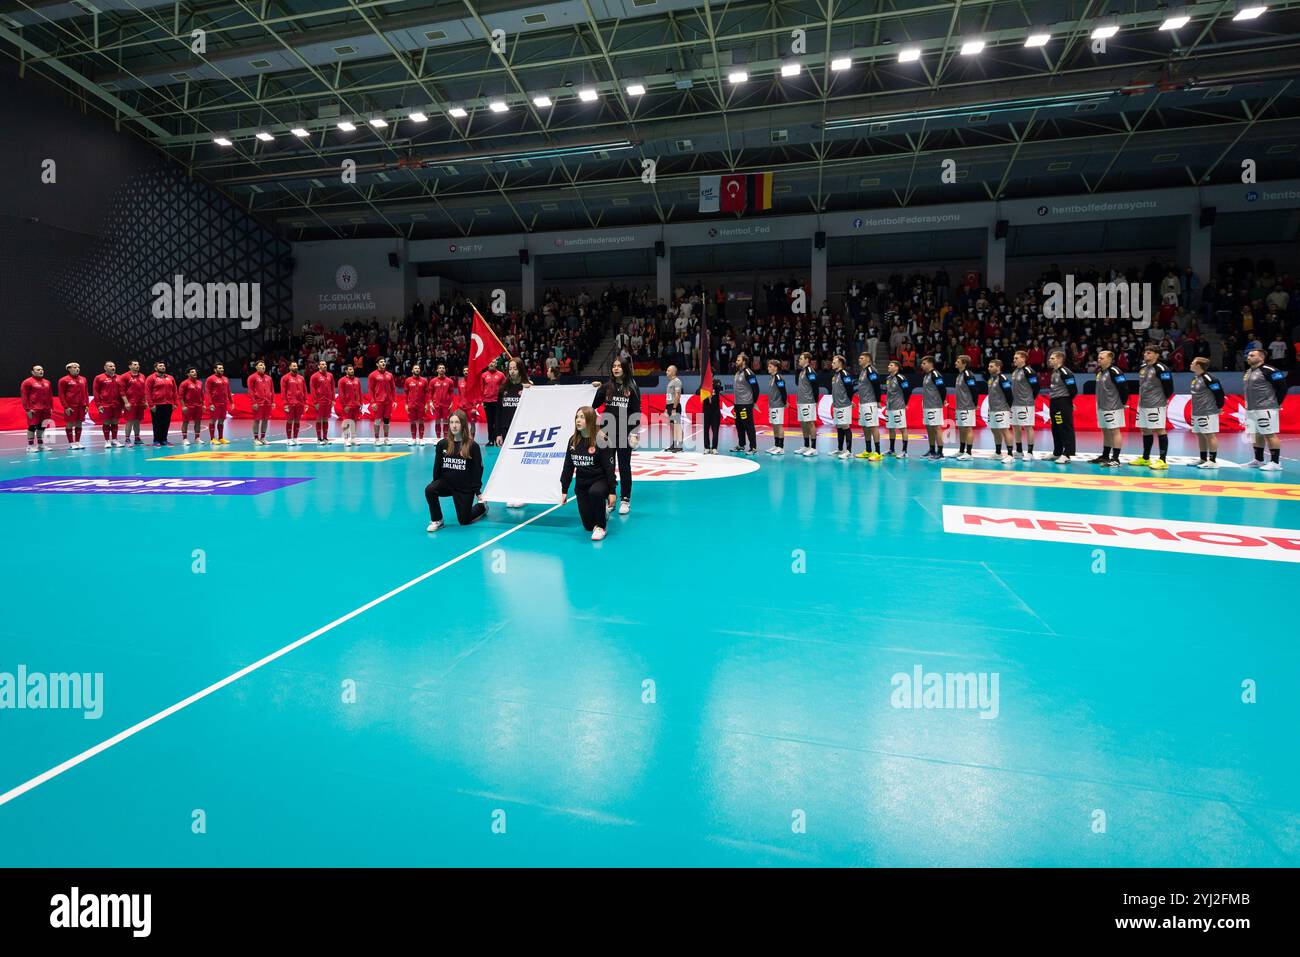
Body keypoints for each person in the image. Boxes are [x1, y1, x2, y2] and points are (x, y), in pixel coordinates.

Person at [560, 405, 617, 541]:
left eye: (582, 417)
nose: (578, 420)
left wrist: (612, 492)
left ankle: (601, 527)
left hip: (600, 481)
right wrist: (564, 490)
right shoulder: (573, 441)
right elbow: (568, 466)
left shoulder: (601, 440)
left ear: (590, 420)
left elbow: (609, 468)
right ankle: (601, 513)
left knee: (595, 493)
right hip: (582, 484)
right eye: (577, 417)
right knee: (587, 526)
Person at [424, 409, 488, 531]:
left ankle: (482, 507)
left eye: (457, 422)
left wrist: (477, 492)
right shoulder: (442, 444)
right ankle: (437, 520)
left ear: (463, 424)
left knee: (464, 521)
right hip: (447, 483)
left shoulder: (472, 446)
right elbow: (437, 467)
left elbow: (477, 470)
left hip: (464, 487)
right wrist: (435, 484)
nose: (454, 425)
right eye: (452, 422)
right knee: (430, 490)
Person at [592, 357, 639, 514]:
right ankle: (609, 498)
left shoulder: (632, 387)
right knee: (607, 467)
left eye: (619, 366)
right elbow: (593, 404)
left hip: (625, 433)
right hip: (607, 433)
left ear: (625, 368)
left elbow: (636, 413)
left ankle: (625, 499)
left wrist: (633, 433)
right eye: (614, 366)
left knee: (624, 467)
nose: (616, 368)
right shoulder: (606, 387)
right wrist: (595, 390)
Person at [1243, 348, 1287, 471]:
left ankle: (1275, 463)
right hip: (1251, 409)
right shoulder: (1248, 372)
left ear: (1261, 358)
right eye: (1248, 355)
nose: (1248, 357)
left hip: (1266, 408)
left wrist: (1275, 403)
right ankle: (1259, 460)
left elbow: (1282, 387)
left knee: (1269, 434)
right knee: (1256, 434)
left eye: (1252, 355)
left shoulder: (1270, 370)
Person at [1132, 344, 1174, 470]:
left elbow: (1169, 387)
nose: (1146, 354)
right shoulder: (1143, 368)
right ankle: (1145, 458)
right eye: (1145, 352)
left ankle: (1162, 460)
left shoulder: (1162, 368)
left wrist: (1164, 399)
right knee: (1145, 429)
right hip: (1143, 403)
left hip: (1156, 403)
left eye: (1149, 353)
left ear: (1157, 355)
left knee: (1160, 429)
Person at [1091, 350, 1128, 468]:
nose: (1099, 359)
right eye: (1098, 357)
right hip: (1101, 406)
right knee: (1105, 431)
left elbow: (1124, 388)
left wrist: (1122, 403)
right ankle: (1105, 455)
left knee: (1114, 431)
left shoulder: (1115, 371)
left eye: (1102, 358)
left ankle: (1116, 459)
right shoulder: (1100, 372)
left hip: (1113, 406)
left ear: (1110, 359)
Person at [1188, 356, 1225, 469]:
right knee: (1200, 435)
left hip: (1208, 411)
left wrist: (1218, 407)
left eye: (1193, 363)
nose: (1190, 364)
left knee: (1210, 435)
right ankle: (1203, 459)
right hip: (1197, 412)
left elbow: (1219, 394)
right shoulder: (1195, 378)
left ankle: (1213, 461)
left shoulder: (1210, 379)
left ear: (1198, 366)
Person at [1046, 350, 1078, 464]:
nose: (1050, 360)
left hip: (1062, 402)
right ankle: (1057, 452)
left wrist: (1068, 401)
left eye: (1053, 358)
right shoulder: (1054, 372)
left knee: (1065, 427)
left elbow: (1073, 389)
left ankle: (1067, 454)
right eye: (1050, 358)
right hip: (1054, 402)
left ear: (1060, 359)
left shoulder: (1065, 372)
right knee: (1056, 427)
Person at [854, 352, 884, 460]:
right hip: (862, 403)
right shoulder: (863, 371)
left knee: (872, 426)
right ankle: (868, 450)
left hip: (870, 402)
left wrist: (878, 400)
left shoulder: (871, 370)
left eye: (861, 358)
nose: (859, 360)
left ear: (868, 359)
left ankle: (878, 452)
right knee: (865, 427)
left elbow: (876, 385)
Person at [1009, 350, 1038, 461]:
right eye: (1014, 358)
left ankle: (1030, 452)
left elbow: (1036, 386)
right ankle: (1019, 451)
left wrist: (1030, 398)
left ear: (1023, 359)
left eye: (1016, 358)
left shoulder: (1029, 371)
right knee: (1016, 426)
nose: (1014, 360)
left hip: (1026, 404)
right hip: (1015, 404)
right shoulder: (1015, 371)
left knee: (1027, 426)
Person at [952, 355, 981, 461]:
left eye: (958, 361)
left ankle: (968, 453)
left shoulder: (968, 374)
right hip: (959, 406)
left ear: (964, 363)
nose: (955, 362)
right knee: (961, 429)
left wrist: (975, 404)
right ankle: (961, 451)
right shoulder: (959, 375)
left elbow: (974, 390)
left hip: (967, 406)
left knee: (968, 428)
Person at [986, 358, 1014, 464]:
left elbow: (1009, 394)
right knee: (994, 430)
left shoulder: (1003, 379)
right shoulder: (991, 379)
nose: (989, 368)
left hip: (1002, 409)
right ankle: (998, 453)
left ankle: (1010, 455)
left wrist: (1008, 408)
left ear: (998, 367)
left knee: (1004, 430)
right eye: (989, 366)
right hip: (992, 409)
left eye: (991, 366)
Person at [498, 358, 531, 445]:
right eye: (510, 369)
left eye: (515, 369)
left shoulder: (528, 388)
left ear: (520, 369)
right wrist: (498, 434)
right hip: (506, 429)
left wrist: (532, 389)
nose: (512, 371)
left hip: (522, 429)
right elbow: (499, 412)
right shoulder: (503, 388)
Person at [731, 353, 759, 455]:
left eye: (738, 360)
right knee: (739, 425)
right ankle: (741, 445)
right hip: (737, 404)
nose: (736, 362)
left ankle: (753, 447)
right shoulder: (737, 372)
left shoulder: (748, 373)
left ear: (744, 361)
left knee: (748, 425)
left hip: (745, 404)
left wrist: (753, 402)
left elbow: (756, 388)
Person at [20, 364, 53, 452]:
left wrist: (50, 407)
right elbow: (24, 396)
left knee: (42, 427)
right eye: (38, 370)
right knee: (32, 427)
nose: (41, 371)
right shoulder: (27, 382)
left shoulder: (47, 382)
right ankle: (30, 446)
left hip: (45, 409)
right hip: (33, 409)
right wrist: (27, 409)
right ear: (32, 372)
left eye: (41, 369)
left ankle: (40, 444)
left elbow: (50, 396)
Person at [793, 351, 821, 455]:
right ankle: (806, 446)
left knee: (810, 423)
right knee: (803, 424)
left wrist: (815, 400)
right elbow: (797, 383)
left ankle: (813, 448)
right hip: (800, 401)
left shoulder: (810, 371)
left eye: (801, 358)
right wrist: (797, 370)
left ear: (806, 360)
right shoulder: (802, 371)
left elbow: (815, 386)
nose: (799, 360)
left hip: (808, 401)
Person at [883, 359, 912, 457]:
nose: (888, 366)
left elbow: (907, 390)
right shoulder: (888, 378)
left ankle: (904, 451)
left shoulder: (901, 378)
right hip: (889, 407)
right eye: (888, 365)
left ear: (896, 367)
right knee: (891, 428)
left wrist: (905, 403)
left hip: (898, 406)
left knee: (902, 428)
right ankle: (892, 449)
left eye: (891, 365)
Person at [919, 355, 946, 460]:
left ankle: (940, 452)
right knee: (929, 428)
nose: (922, 365)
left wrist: (943, 401)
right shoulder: (926, 375)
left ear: (931, 363)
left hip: (935, 405)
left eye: (924, 363)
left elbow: (942, 389)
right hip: (927, 405)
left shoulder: (935, 374)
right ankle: (932, 450)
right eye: (922, 363)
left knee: (936, 428)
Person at [57, 362, 89, 450]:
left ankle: (78, 442)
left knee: (79, 423)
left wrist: (87, 405)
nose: (77, 369)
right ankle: (71, 443)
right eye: (74, 367)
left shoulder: (83, 379)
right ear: (69, 369)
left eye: (78, 367)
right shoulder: (63, 380)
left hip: (81, 406)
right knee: (69, 424)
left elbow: (86, 393)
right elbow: (61, 394)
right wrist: (66, 407)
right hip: (71, 406)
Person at [92, 361, 124, 448]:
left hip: (117, 404)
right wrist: (98, 405)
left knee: (115, 422)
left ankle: (114, 440)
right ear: (105, 368)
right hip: (105, 404)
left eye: (114, 366)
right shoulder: (99, 378)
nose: (113, 367)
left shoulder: (120, 378)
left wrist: (123, 405)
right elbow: (96, 392)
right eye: (110, 366)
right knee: (106, 422)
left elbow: (122, 392)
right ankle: (107, 441)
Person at [830, 355, 856, 458]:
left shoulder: (844, 374)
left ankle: (849, 451)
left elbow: (850, 388)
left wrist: (849, 401)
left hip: (844, 405)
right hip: (837, 405)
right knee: (839, 427)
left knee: (845, 426)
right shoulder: (835, 375)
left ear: (840, 363)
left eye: (834, 362)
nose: (832, 364)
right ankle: (840, 449)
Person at [368, 357, 397, 446]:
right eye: (381, 362)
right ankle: (377, 439)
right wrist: (372, 402)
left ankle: (386, 438)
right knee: (377, 421)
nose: (383, 363)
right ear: (377, 364)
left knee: (386, 421)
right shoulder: (373, 375)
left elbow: (393, 388)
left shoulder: (390, 375)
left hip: (388, 402)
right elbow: (370, 389)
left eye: (384, 362)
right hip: (378, 402)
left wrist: (394, 400)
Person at [120, 359, 148, 446]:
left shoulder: (142, 376)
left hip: (140, 403)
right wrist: (126, 403)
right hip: (130, 403)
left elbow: (144, 390)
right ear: (130, 366)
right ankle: (127, 439)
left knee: (137, 421)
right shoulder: (124, 376)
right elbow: (122, 391)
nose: (137, 366)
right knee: (130, 421)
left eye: (138, 364)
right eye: (135, 364)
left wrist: (145, 401)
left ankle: (137, 438)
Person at [763, 358, 788, 455]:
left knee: (779, 425)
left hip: (778, 405)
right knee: (774, 425)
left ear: (776, 368)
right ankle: (776, 445)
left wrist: (784, 402)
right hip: (772, 405)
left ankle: (781, 447)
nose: (768, 368)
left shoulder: (778, 378)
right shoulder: (772, 378)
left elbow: (783, 391)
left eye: (770, 366)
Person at [247, 360, 275, 445]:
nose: (263, 366)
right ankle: (256, 438)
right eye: (260, 365)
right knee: (257, 420)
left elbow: (272, 390)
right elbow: (250, 391)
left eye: (264, 365)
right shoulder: (252, 377)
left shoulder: (269, 378)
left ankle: (263, 438)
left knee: (265, 420)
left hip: (268, 402)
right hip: (258, 403)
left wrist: (272, 401)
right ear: (256, 367)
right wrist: (254, 402)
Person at [280, 361, 307, 445]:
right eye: (294, 366)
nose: (295, 367)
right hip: (290, 403)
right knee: (289, 421)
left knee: (297, 421)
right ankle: (288, 440)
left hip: (300, 403)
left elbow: (305, 391)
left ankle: (295, 438)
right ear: (290, 367)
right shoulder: (285, 378)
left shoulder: (301, 378)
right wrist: (285, 404)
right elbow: (283, 392)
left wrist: (305, 403)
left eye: (296, 366)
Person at [204, 363, 232, 444]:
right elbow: (207, 392)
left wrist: (231, 402)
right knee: (213, 420)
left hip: (224, 403)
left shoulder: (226, 379)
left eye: (222, 368)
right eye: (219, 368)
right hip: (215, 403)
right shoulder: (210, 379)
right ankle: (212, 439)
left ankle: (221, 438)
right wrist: (210, 404)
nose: (222, 369)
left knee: (221, 421)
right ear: (215, 370)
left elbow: (228, 391)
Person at [308, 360, 335, 444]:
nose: (325, 366)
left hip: (328, 402)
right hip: (319, 402)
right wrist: (315, 402)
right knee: (319, 419)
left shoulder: (330, 375)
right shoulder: (314, 376)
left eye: (325, 364)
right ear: (318, 366)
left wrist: (333, 400)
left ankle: (325, 438)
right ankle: (319, 439)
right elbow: (312, 390)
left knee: (326, 419)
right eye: (323, 364)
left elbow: (332, 388)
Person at [178, 367, 205, 445]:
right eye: (192, 372)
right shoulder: (184, 383)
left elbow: (202, 395)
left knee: (198, 422)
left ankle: (197, 438)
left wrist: (203, 405)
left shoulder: (200, 382)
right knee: (185, 422)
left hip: (198, 406)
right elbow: (180, 396)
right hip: (188, 406)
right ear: (188, 374)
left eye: (195, 372)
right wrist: (183, 406)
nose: (194, 373)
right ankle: (184, 439)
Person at [404, 363, 430, 445]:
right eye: (415, 368)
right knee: (412, 422)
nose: (417, 370)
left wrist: (426, 404)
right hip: (411, 405)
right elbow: (406, 394)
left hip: (421, 405)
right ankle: (413, 439)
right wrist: (406, 404)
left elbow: (427, 394)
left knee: (421, 421)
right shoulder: (408, 380)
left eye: (418, 368)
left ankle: (421, 439)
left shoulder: (424, 380)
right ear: (412, 370)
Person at [481, 359, 506, 445]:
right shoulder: (483, 375)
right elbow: (481, 389)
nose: (491, 364)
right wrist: (482, 400)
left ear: (496, 364)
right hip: (487, 402)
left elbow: (504, 388)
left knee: (498, 421)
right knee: (490, 421)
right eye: (490, 362)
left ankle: (497, 439)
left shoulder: (501, 375)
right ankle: (491, 440)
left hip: (497, 401)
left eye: (493, 362)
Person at [428, 363, 455, 439]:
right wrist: (430, 403)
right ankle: (438, 439)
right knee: (437, 421)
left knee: (446, 421)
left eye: (443, 368)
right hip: (436, 405)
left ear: (445, 370)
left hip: (446, 405)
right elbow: (430, 393)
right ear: (437, 370)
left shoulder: (450, 381)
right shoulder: (433, 381)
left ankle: (445, 438)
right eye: (440, 368)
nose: (441, 369)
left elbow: (452, 393)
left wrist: (452, 403)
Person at [338, 364, 363, 446]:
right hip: (347, 405)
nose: (352, 371)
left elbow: (360, 392)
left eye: (352, 369)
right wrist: (344, 405)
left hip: (356, 405)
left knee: (354, 422)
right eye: (350, 369)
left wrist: (361, 403)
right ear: (346, 371)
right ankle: (346, 439)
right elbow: (341, 394)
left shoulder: (357, 380)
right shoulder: (342, 380)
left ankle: (353, 439)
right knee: (346, 422)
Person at [458, 364, 483, 440]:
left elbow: (477, 394)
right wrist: (459, 404)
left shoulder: (474, 382)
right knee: (462, 424)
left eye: (467, 371)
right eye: (464, 371)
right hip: (462, 407)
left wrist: (475, 406)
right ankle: (464, 439)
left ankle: (472, 439)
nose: (466, 372)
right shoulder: (460, 382)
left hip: (471, 407)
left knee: (472, 424)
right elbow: (459, 395)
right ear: (463, 372)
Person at [664, 364, 684, 452]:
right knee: (672, 426)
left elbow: (677, 395)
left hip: (674, 406)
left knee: (677, 426)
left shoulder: (677, 381)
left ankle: (679, 446)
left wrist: (674, 408)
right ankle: (674, 443)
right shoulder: (670, 382)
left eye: (668, 370)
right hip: (669, 406)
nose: (666, 372)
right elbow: (669, 396)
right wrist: (666, 408)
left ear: (673, 372)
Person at [702, 376, 722, 454]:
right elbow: (697, 392)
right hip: (706, 411)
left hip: (715, 411)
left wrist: (711, 384)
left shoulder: (717, 382)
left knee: (715, 430)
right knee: (706, 430)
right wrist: (703, 385)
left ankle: (714, 448)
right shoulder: (703, 384)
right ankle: (706, 447)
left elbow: (719, 388)